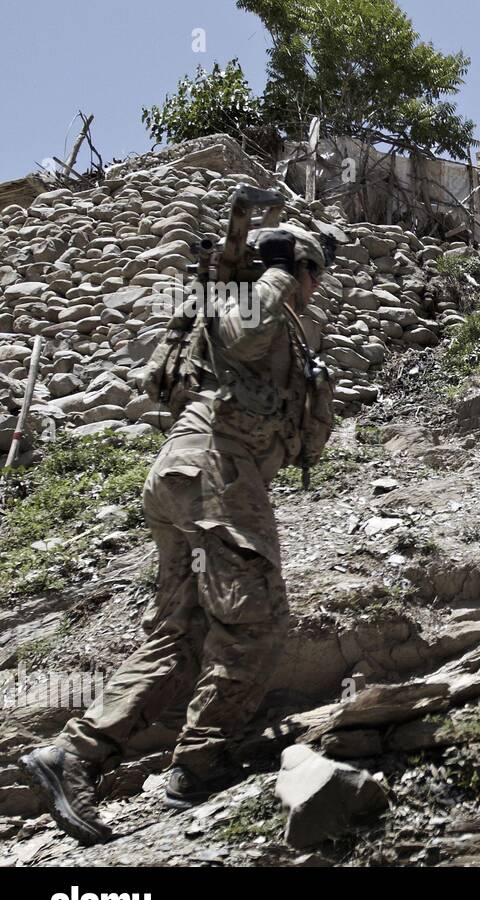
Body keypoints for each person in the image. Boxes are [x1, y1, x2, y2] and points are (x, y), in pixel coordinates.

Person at [20, 222, 335, 845]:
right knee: (258, 621)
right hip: (217, 475)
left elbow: (302, 436)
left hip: (186, 475)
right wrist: (274, 273)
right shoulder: (251, 303)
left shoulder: (264, 321)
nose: (316, 286)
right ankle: (199, 766)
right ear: (298, 267)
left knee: (181, 631)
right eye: (314, 272)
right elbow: (241, 336)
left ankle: (73, 757)